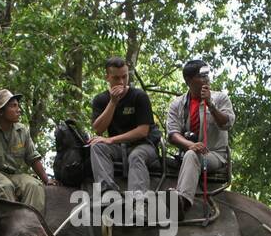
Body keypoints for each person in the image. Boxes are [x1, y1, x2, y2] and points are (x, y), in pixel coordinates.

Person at [166, 59, 234, 218]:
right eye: (201, 76)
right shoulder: (178, 104)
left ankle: (183, 201)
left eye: (207, 75)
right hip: (188, 153)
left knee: (192, 155)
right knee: (187, 154)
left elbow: (227, 123)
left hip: (214, 154)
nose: (206, 79)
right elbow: (172, 134)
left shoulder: (220, 98)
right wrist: (190, 144)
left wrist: (210, 104)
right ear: (189, 81)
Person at [89, 57, 160, 203]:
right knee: (97, 146)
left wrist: (111, 139)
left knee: (136, 155)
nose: (121, 82)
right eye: (116, 78)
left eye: (124, 76)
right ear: (107, 77)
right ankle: (107, 194)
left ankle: (138, 202)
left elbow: (142, 131)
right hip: (118, 148)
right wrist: (113, 102)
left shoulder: (139, 96)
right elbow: (98, 129)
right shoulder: (100, 100)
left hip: (144, 145)